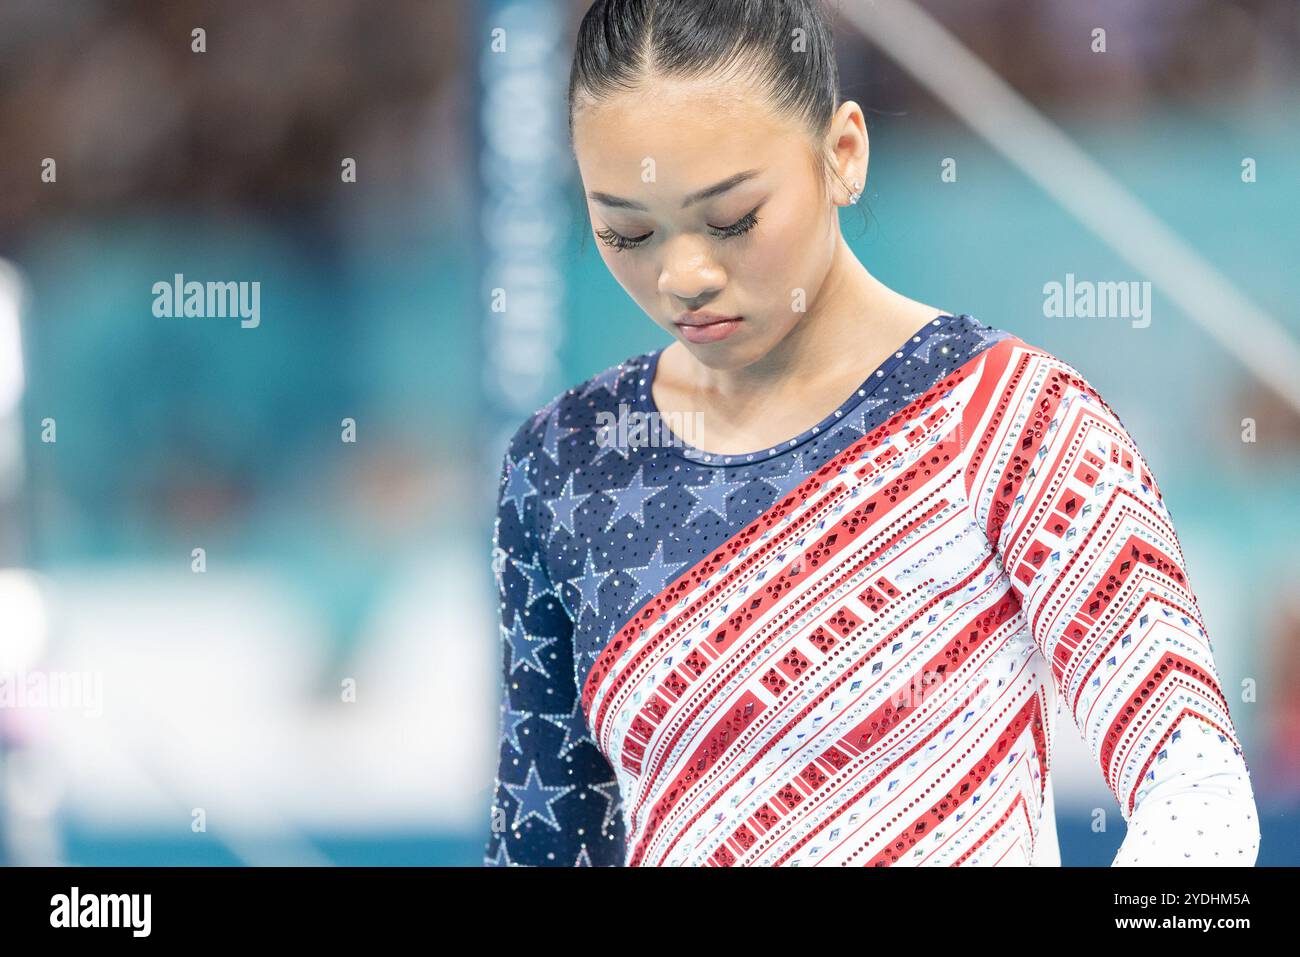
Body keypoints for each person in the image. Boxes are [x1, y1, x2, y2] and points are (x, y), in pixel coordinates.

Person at [482, 0, 1259, 866]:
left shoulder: (1007, 418)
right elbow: (542, 843)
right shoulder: (566, 462)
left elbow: (1198, 792)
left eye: (732, 219)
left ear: (842, 153)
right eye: (626, 230)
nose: (684, 276)